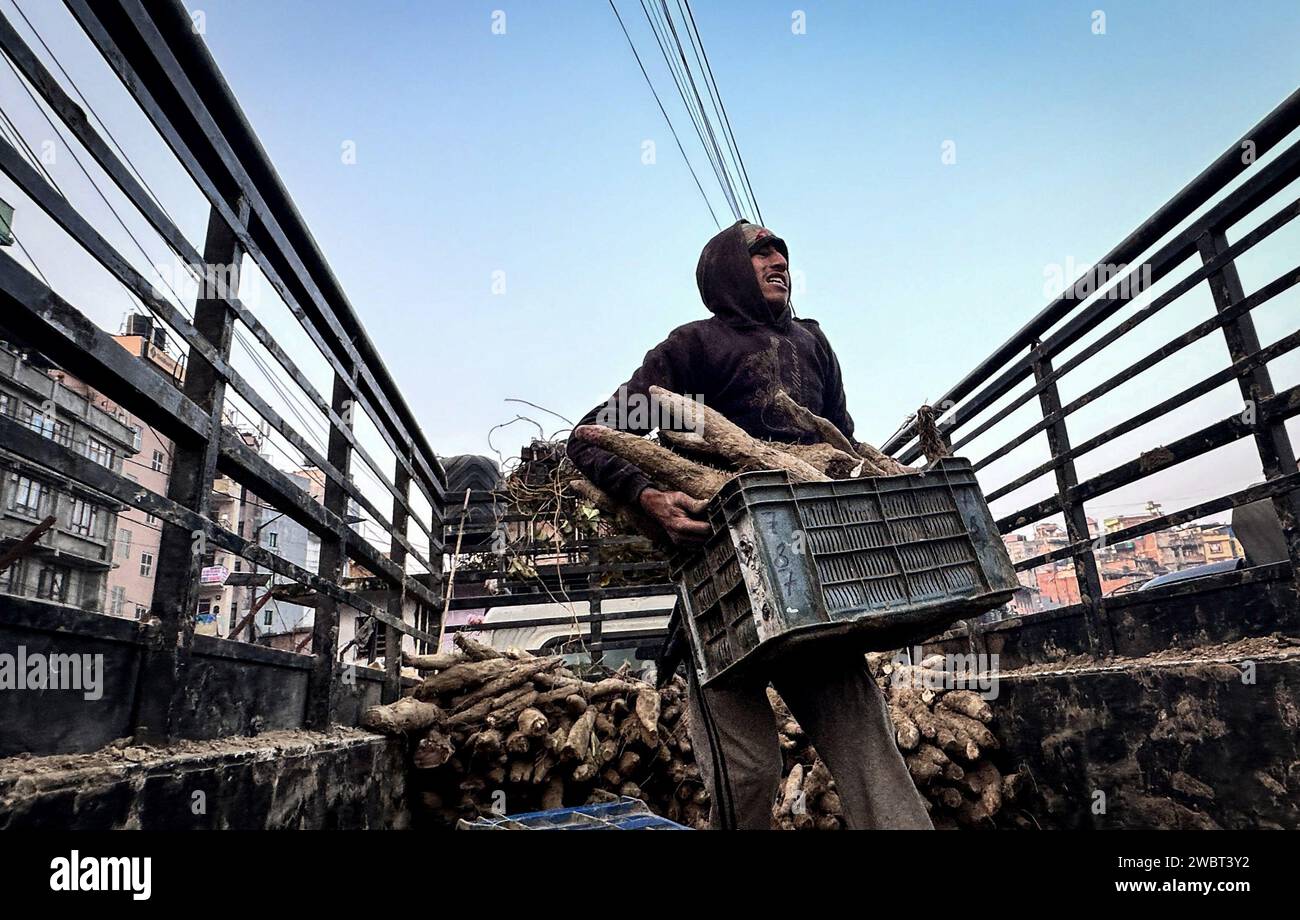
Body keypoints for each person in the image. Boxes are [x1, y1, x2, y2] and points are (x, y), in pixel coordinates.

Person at [566, 219, 931, 830]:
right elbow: (591, 436)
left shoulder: (814, 344)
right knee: (748, 773)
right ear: (726, 271)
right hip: (723, 582)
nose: (777, 261)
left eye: (782, 252)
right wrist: (649, 494)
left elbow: (838, 438)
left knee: (872, 757)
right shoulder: (692, 347)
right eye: (760, 252)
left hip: (815, 583)